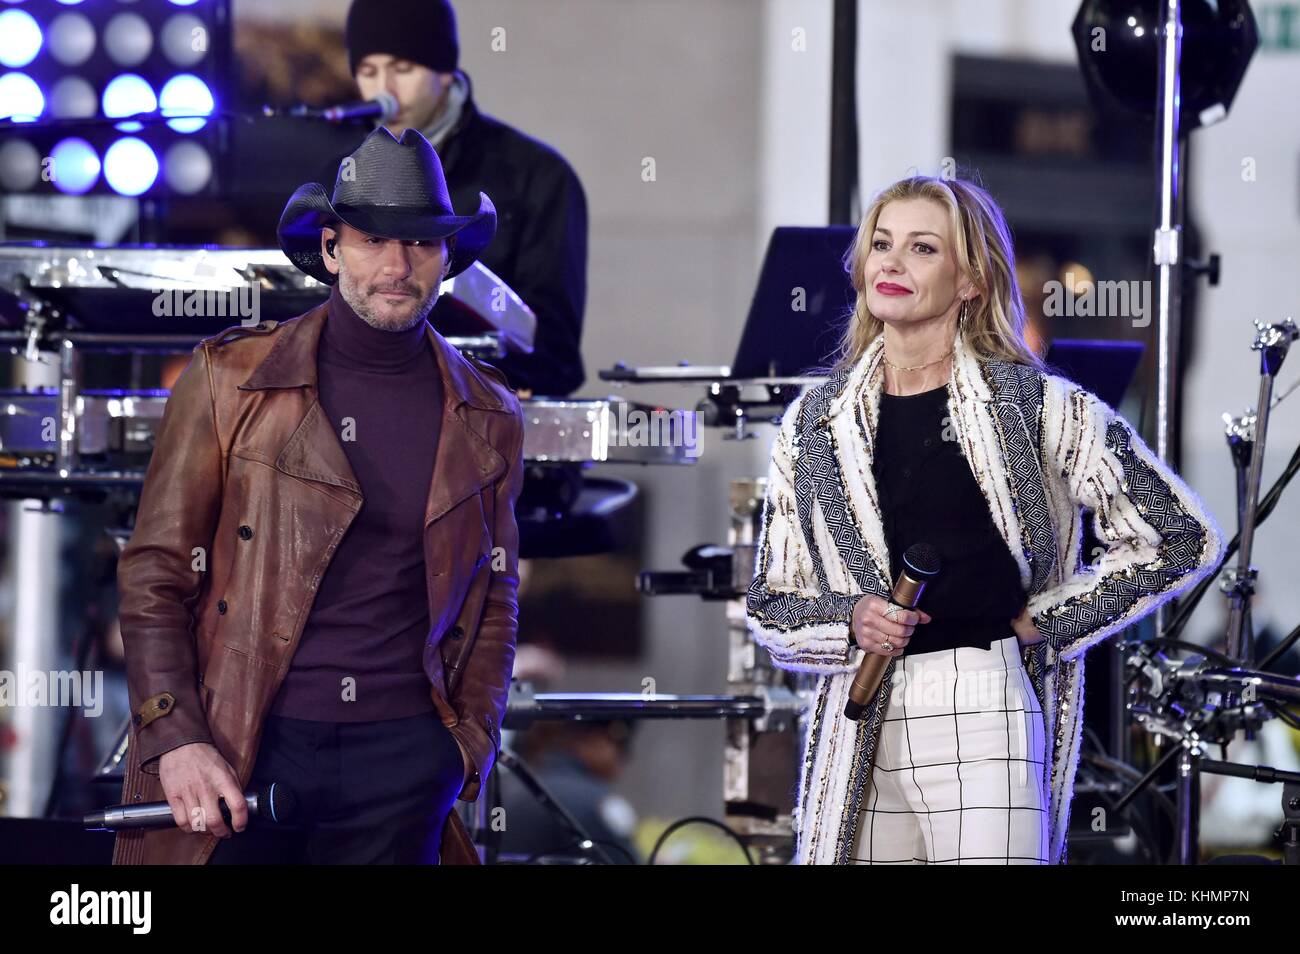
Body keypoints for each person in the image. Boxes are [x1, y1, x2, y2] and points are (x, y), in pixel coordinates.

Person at [746, 175, 1227, 865]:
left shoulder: (1036, 405)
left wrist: (1047, 623)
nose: (890, 262)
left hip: (982, 699)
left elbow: (1180, 536)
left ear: (971, 280)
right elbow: (768, 603)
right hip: (856, 713)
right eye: (880, 244)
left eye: (921, 248)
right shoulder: (815, 424)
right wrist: (850, 618)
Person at [112, 126, 523, 865]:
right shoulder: (229, 379)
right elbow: (155, 573)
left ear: (447, 258)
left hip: (404, 765)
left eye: (422, 243)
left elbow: (495, 592)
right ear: (332, 249)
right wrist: (175, 738)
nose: (398, 266)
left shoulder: (488, 412)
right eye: (373, 240)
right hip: (245, 750)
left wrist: (466, 747)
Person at [339, 0, 588, 397]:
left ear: (445, 69)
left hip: (483, 425)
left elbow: (554, 355)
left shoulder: (537, 175)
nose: (384, 91)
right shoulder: (339, 173)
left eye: (403, 68)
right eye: (368, 72)